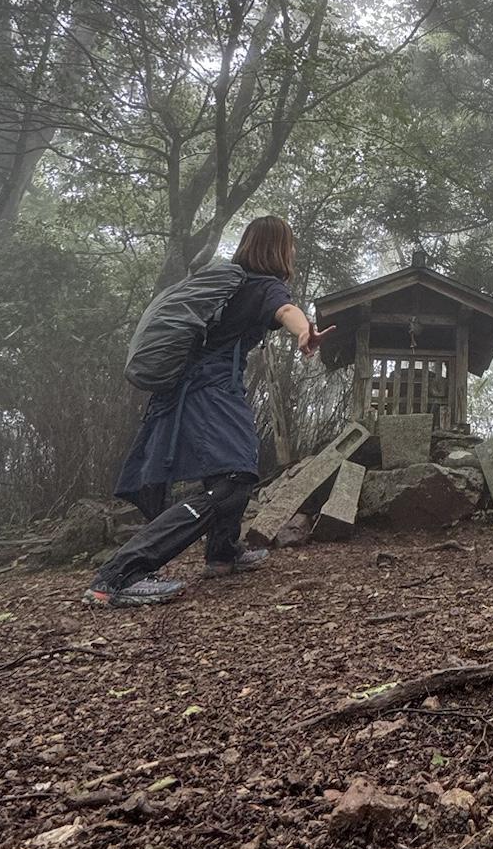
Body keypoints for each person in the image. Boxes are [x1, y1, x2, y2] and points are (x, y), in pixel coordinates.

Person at [85, 215, 329, 607]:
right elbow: (286, 310)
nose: (294, 251)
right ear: (278, 248)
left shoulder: (230, 284)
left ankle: (222, 554)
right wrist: (303, 331)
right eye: (291, 244)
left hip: (186, 388)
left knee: (232, 469)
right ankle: (119, 575)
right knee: (233, 478)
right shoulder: (265, 285)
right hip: (210, 389)